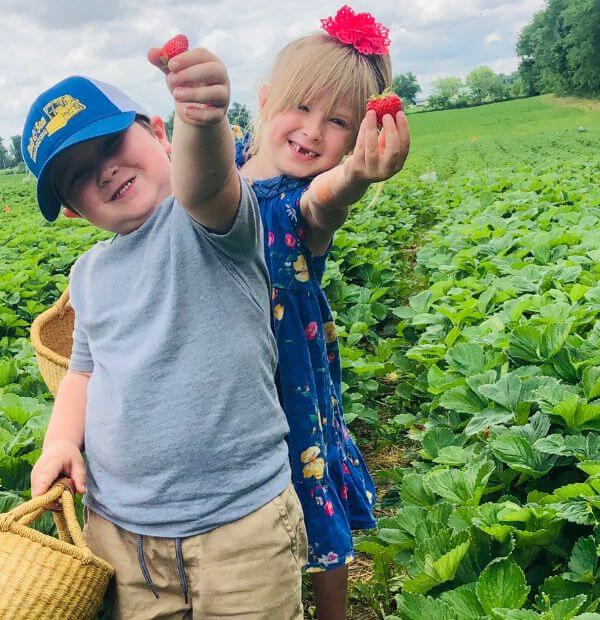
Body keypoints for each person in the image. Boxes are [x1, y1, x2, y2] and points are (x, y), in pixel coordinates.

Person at [22, 44, 307, 618]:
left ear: (158, 133)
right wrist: (59, 443)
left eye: (111, 144)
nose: (103, 168)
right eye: (78, 174)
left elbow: (206, 182)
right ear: (73, 211)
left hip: (241, 527)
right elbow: (84, 368)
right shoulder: (89, 274)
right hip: (122, 536)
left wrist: (201, 119)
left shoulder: (211, 223)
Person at [237, 6, 411, 619]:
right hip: (228, 368)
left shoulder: (300, 202)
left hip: (290, 377)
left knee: (311, 482)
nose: (313, 131)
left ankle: (332, 612)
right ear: (263, 101)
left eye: (338, 122)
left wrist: (357, 176)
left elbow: (327, 203)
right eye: (301, 107)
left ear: (354, 138)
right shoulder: (224, 169)